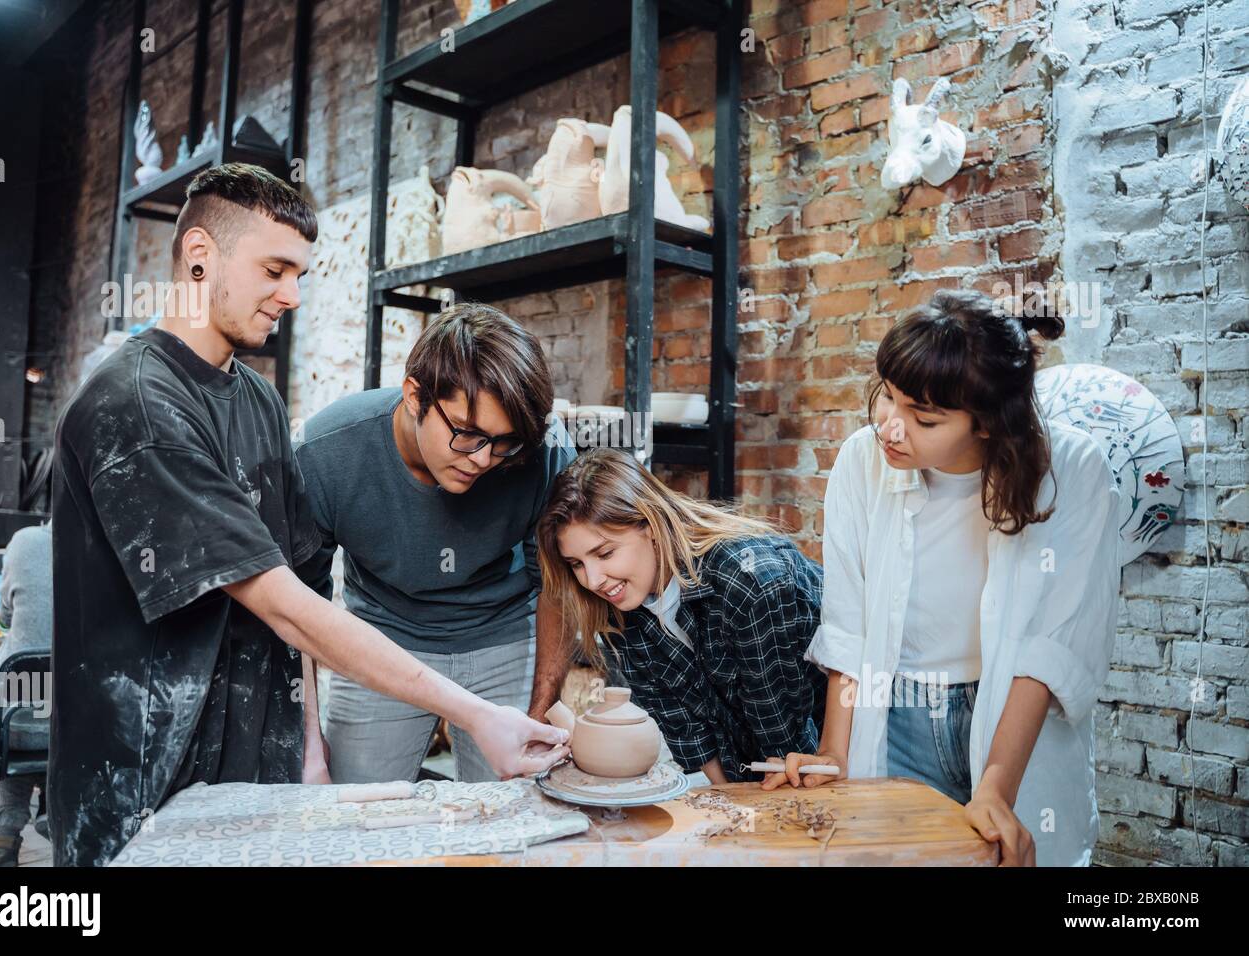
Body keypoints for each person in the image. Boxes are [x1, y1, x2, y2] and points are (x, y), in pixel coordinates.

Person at [48, 163, 567, 867]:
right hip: (146, 769)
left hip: (246, 761)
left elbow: (304, 589)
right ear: (200, 256)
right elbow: (285, 604)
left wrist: (308, 751)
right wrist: (473, 714)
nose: (291, 296)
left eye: (300, 275)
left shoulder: (258, 402)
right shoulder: (136, 403)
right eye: (274, 270)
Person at [763, 289, 1121, 867]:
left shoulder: (1071, 470)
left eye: (923, 418)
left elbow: (1050, 649)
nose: (890, 428)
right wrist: (833, 749)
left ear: (987, 423)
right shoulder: (861, 460)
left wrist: (997, 788)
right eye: (888, 397)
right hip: (894, 715)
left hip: (1008, 722)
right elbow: (849, 625)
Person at [294, 303, 576, 783]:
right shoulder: (326, 452)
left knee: (508, 821)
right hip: (382, 647)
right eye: (467, 434)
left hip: (502, 636)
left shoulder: (541, 452)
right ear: (414, 395)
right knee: (354, 824)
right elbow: (298, 606)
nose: (484, 459)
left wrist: (539, 710)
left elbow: (556, 586)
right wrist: (310, 750)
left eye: (502, 442)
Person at [535, 448, 826, 784]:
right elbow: (688, 734)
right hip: (769, 761)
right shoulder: (620, 607)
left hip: (851, 731)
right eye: (576, 564)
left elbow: (784, 741)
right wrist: (724, 807)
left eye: (605, 553)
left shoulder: (748, 581)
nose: (593, 579)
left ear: (652, 527)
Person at [0, 524, 51, 866]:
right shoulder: (105, 547)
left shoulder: (24, 540)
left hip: (7, 717)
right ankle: (53, 802)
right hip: (72, 722)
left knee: (15, 719)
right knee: (48, 723)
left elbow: (5, 616)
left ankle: (3, 839)